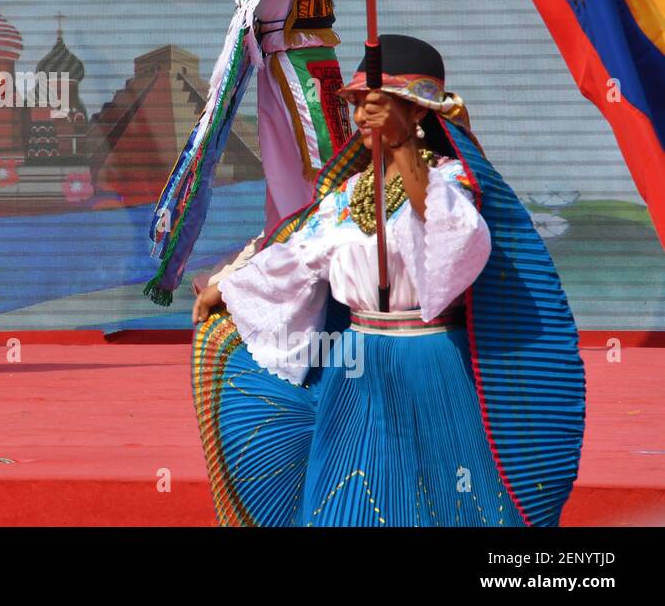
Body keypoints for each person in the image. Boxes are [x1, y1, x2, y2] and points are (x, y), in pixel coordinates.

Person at [190, 35, 585, 526]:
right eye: (358, 105)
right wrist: (225, 289)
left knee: (441, 500)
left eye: (378, 105)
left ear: (418, 112)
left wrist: (400, 145)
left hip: (432, 362)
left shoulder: (452, 183)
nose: (361, 117)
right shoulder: (350, 194)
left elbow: (450, 241)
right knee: (350, 499)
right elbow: (298, 257)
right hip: (356, 367)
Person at [193, 0, 366, 296]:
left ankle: (240, 280)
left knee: (302, 186)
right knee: (320, 176)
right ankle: (276, 280)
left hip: (316, 64)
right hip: (293, 68)